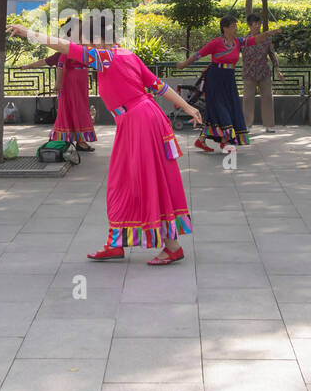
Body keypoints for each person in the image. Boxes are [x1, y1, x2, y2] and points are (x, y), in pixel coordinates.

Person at [10, 18, 202, 264]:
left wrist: (28, 33)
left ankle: (171, 246)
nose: (79, 42)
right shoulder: (125, 54)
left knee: (144, 180)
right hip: (138, 120)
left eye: (83, 38)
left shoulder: (106, 57)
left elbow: (62, 47)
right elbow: (159, 86)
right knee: (121, 183)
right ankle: (116, 243)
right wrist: (188, 107)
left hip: (139, 122)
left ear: (97, 39)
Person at [176, 15, 261, 154]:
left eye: (236, 26)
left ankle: (201, 140)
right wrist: (184, 64)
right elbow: (199, 54)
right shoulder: (216, 43)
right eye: (233, 26)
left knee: (219, 109)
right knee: (222, 108)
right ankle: (225, 141)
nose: (236, 28)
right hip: (215, 78)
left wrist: (268, 34)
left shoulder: (238, 42)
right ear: (225, 28)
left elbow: (253, 40)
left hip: (229, 79)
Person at [20, 18, 97, 151]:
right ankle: (73, 140)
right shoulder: (69, 46)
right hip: (70, 84)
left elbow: (47, 61)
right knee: (72, 109)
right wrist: (57, 84)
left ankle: (76, 140)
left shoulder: (83, 45)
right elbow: (60, 65)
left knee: (79, 109)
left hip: (80, 83)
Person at [240, 13, 283, 133]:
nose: (258, 26)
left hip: (264, 73)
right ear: (249, 25)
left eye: (259, 24)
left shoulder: (266, 39)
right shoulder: (244, 40)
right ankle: (247, 124)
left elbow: (272, 55)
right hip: (249, 74)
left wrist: (278, 69)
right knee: (247, 99)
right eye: (255, 24)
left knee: (268, 98)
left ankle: (269, 125)